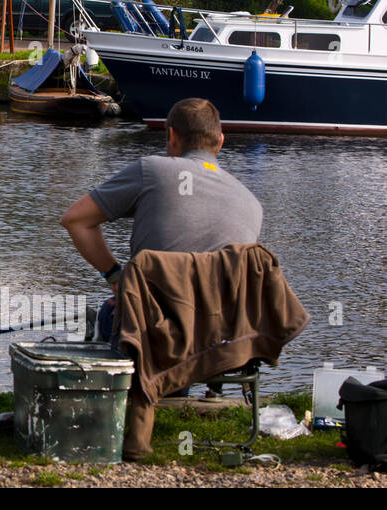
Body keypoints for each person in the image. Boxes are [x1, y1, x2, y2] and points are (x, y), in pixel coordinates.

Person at [61, 97, 263, 345]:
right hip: (218, 337)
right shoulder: (252, 202)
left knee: (106, 315)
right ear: (220, 142)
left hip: (149, 326)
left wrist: (115, 276)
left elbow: (75, 220)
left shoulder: (152, 171)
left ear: (172, 135)